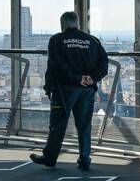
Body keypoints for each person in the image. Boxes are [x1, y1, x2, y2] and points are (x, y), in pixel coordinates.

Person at [30, 11, 109, 171]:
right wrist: (92, 78)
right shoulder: (92, 40)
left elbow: (57, 66)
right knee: (84, 125)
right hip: (87, 90)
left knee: (58, 124)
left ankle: (50, 158)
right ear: (77, 23)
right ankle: (85, 159)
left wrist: (75, 78)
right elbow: (104, 63)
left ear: (62, 24)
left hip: (64, 91)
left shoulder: (57, 40)